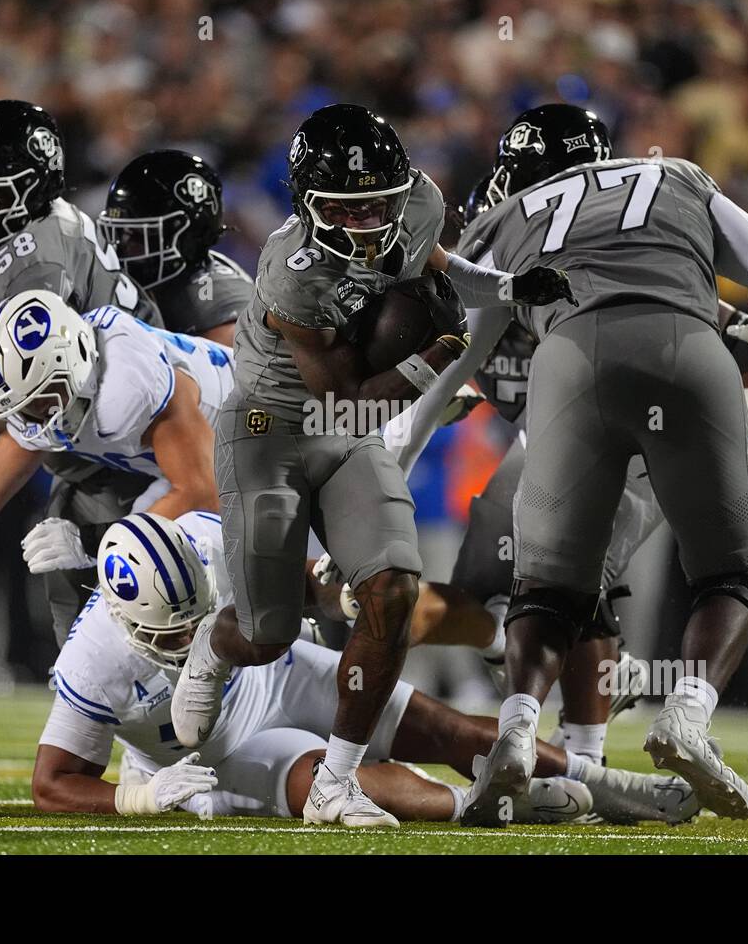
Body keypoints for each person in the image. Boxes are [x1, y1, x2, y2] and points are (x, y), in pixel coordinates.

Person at [169, 103, 571, 828]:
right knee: (269, 633)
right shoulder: (292, 270)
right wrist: (438, 358)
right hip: (272, 426)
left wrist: (510, 289)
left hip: (350, 433)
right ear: (307, 206)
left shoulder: (416, 204)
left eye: (377, 205)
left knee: (392, 590)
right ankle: (213, 640)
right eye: (345, 210)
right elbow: (343, 399)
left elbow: (441, 271)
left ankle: (336, 782)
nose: (366, 222)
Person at [459, 103, 748, 825]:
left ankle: (520, 731)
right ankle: (685, 714)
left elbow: (448, 337)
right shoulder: (672, 175)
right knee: (734, 574)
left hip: (563, 371)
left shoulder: (507, 216)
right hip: (684, 346)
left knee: (547, 589)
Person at [33, 511, 699, 826]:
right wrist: (137, 795)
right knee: (331, 783)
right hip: (224, 747)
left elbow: (291, 579)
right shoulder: (95, 655)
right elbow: (51, 783)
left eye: (193, 617)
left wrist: (334, 593)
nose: (187, 636)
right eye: (170, 629)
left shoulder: (207, 539)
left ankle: (604, 782)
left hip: (281, 669)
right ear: (127, 621)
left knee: (442, 726)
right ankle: (485, 808)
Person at [0, 291, 231, 632]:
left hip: (266, 435)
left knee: (147, 573)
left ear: (75, 362)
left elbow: (203, 493)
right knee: (129, 582)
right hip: (210, 464)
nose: (34, 418)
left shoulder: (127, 386)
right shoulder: (50, 391)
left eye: (39, 400)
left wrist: (92, 543)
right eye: (22, 407)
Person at [0, 99, 165, 639]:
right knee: (87, 660)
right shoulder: (41, 237)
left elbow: (29, 419)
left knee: (142, 635)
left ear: (33, 189)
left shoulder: (34, 267)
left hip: (134, 458)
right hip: (97, 454)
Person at [98, 150, 251, 347]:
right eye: (120, 234)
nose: (121, 248)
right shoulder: (170, 282)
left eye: (138, 236)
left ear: (186, 234)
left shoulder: (217, 312)